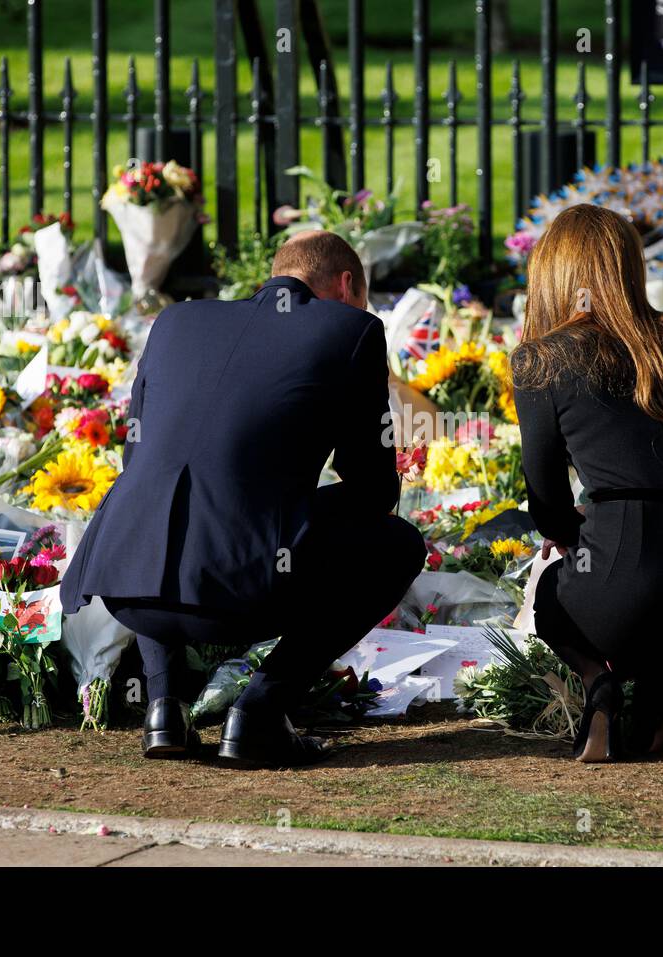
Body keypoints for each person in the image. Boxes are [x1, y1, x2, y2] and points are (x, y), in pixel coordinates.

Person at [61, 230, 426, 768]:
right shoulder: (352, 330)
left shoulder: (177, 321)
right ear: (347, 285)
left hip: (126, 580)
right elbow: (374, 490)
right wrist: (296, 511)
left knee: (152, 499)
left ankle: (163, 707)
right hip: (240, 597)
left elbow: (135, 459)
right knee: (398, 545)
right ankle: (258, 712)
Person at [511, 204, 663, 763]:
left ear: (554, 273)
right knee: (638, 583)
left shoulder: (545, 359)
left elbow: (545, 500)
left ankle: (600, 689)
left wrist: (576, 536)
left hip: (621, 591)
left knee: (551, 594)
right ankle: (658, 703)